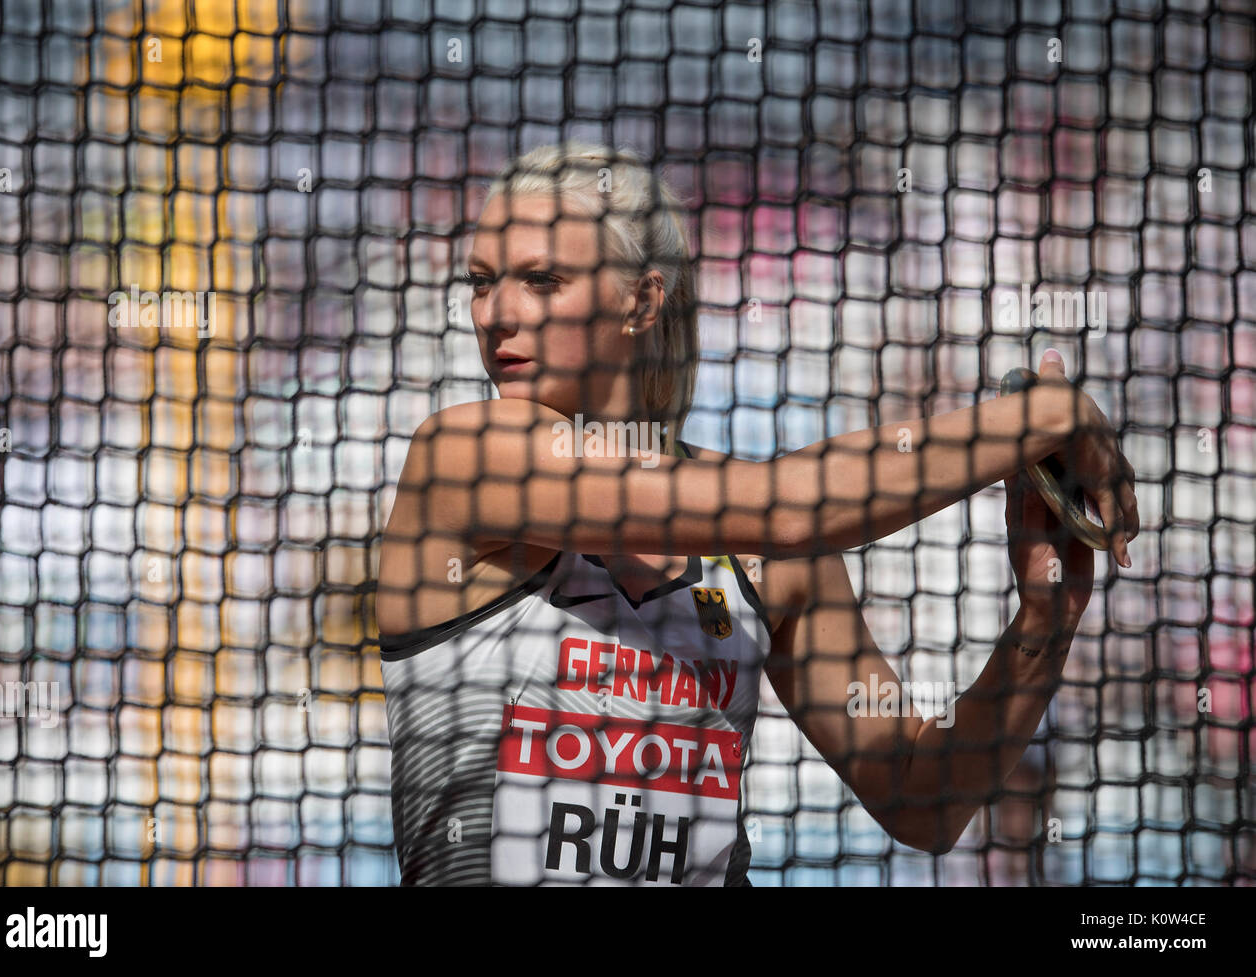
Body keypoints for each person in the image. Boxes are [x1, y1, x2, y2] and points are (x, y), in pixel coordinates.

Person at [375, 141, 1139, 886]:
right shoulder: (466, 454)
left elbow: (921, 800)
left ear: (641, 300)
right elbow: (791, 506)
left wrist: (1043, 624)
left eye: (542, 280)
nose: (496, 314)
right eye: (481, 281)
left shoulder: (756, 556)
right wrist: (1043, 418)